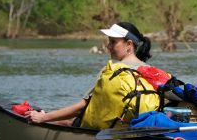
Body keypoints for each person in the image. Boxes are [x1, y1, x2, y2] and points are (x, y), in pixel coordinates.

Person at [24, 22, 160, 129]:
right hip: (133, 127)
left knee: (66, 121)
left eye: (113, 42)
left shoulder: (111, 71)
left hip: (105, 129)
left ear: (129, 44)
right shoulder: (152, 71)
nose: (108, 46)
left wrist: (43, 118)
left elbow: (81, 108)